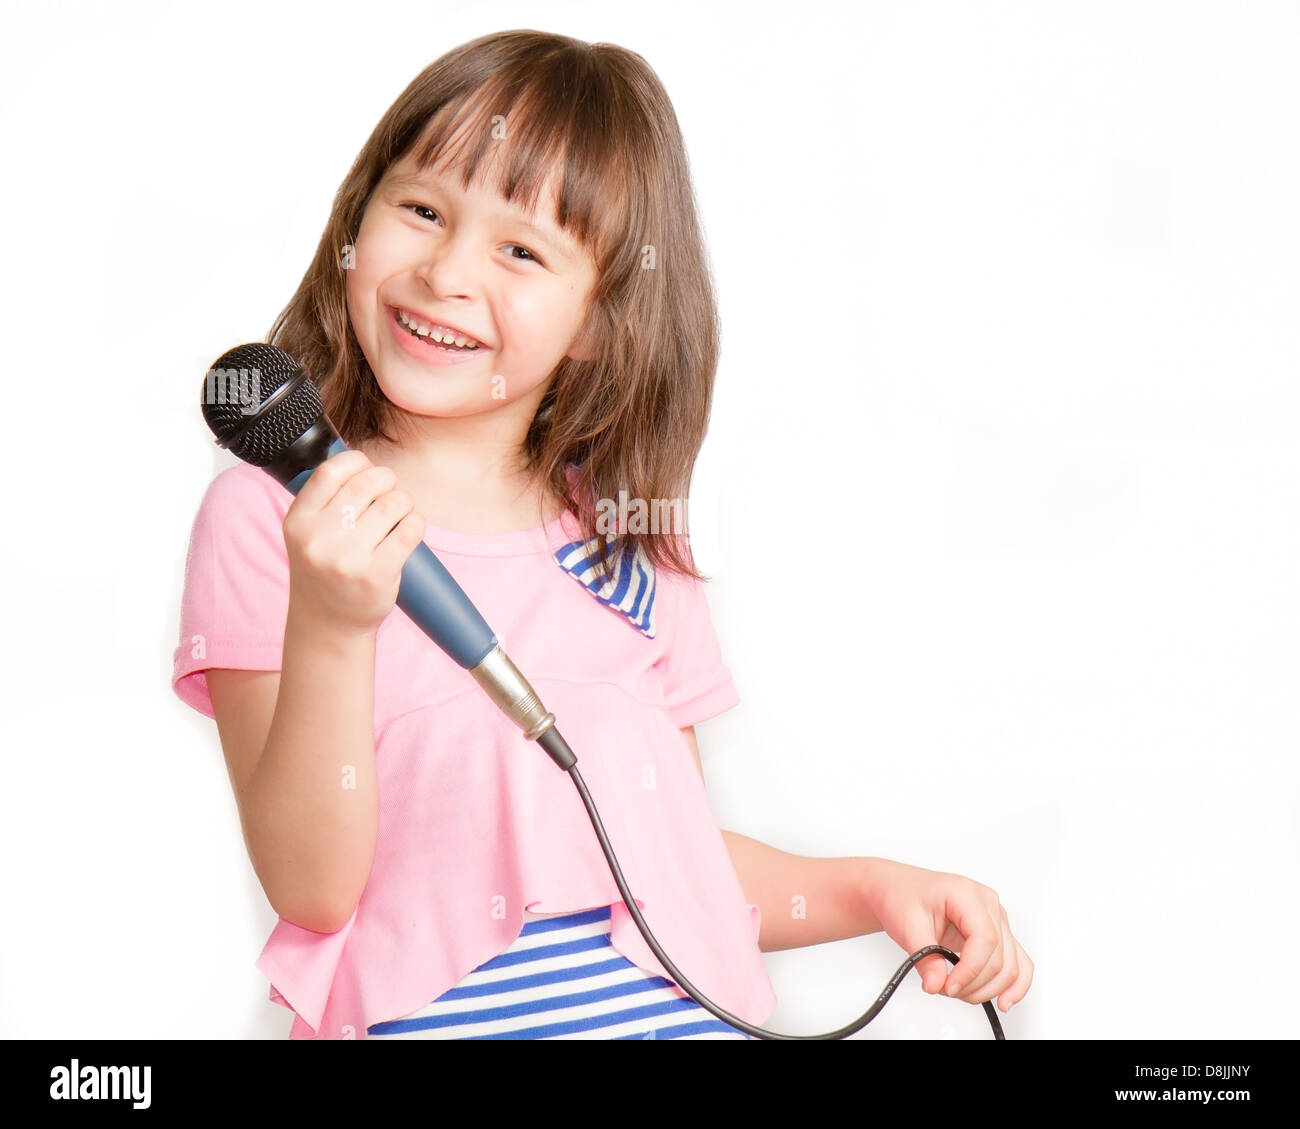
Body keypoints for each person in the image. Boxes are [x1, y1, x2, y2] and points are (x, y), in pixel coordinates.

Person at [172, 29, 1033, 1041]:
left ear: (598, 317)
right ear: (357, 218)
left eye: (521, 250)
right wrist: (328, 623)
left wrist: (877, 890)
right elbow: (313, 891)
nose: (447, 271)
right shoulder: (273, 521)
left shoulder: (628, 542)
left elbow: (665, 864)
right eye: (420, 209)